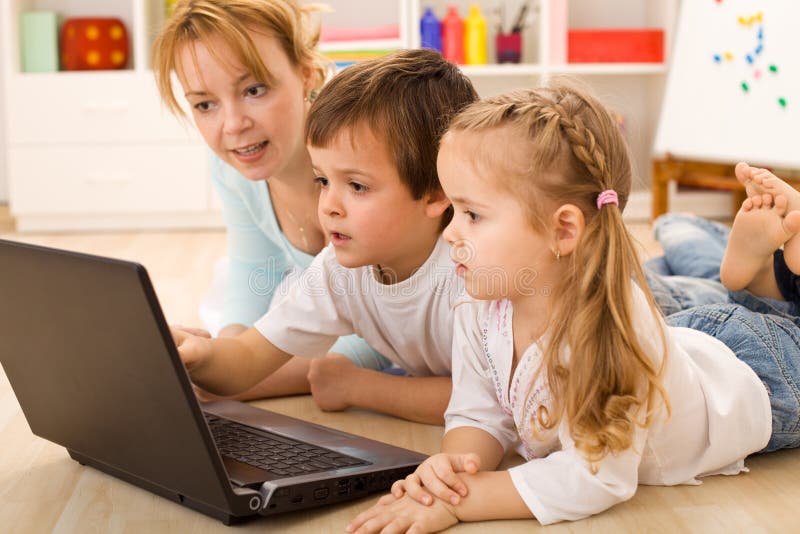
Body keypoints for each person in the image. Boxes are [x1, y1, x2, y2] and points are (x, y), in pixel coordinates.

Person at [345, 82, 800, 531]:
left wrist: (468, 501)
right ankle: (759, 278)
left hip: (765, 380)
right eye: (453, 213)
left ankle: (768, 278)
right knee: (687, 248)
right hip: (694, 339)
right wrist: (451, 474)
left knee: (709, 264)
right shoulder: (480, 302)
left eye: (472, 215)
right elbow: (477, 411)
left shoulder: (606, 329)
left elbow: (595, 478)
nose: (449, 234)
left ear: (563, 230)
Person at [171, 48, 479, 424]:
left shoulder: (475, 273)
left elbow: (488, 404)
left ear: (434, 194)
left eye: (357, 186)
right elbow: (248, 359)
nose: (329, 205)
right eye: (322, 180)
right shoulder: (339, 270)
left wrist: (358, 387)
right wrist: (198, 354)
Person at [152, 0, 393, 402]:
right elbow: (253, 273)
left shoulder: (364, 164)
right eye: (204, 104)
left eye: (254, 90)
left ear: (306, 74)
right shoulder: (233, 171)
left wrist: (221, 383)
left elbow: (391, 328)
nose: (232, 125)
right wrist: (221, 353)